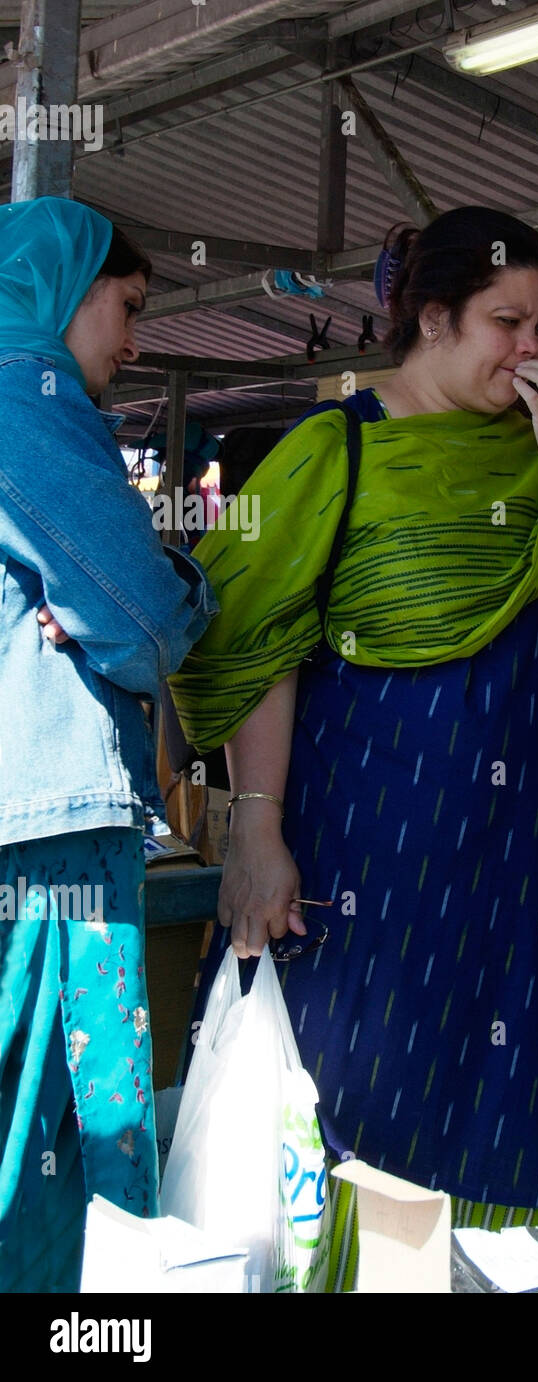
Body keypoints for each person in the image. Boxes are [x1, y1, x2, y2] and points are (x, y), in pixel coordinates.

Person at [169, 208, 538, 1256]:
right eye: (509, 322)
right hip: (366, 865)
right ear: (434, 318)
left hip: (530, 869)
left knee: (511, 1116)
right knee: (359, 1120)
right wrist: (256, 828)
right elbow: (246, 642)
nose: (532, 350)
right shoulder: (337, 451)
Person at [0, 197, 215, 1291]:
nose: (135, 344)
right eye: (126, 306)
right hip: (43, 837)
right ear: (60, 286)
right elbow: (138, 618)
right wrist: (177, 582)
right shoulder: (21, 388)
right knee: (72, 1141)